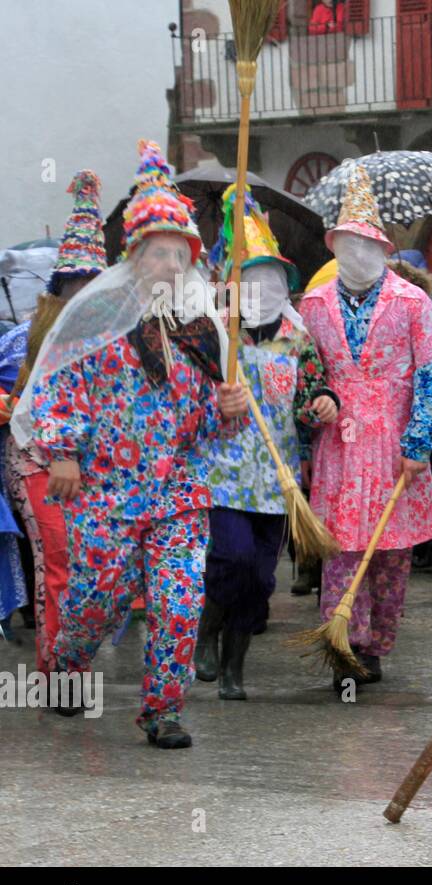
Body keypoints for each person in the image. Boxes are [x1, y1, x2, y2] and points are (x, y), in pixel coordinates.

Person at [12, 140, 250, 748]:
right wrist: (62, 449)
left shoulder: (202, 331)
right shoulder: (99, 319)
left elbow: (213, 424)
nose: (171, 263)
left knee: (178, 602)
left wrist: (232, 408)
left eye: (181, 252)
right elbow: (63, 382)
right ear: (136, 255)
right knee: (98, 601)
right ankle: (67, 662)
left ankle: (162, 710)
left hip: (177, 493)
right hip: (108, 494)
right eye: (159, 252)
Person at [298, 166, 432, 692]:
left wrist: (419, 442)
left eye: (366, 244)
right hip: (338, 447)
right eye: (346, 243)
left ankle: (378, 640)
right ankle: (347, 640)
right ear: (333, 245)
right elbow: (305, 373)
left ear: (383, 248)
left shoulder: (412, 305)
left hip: (393, 444)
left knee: (390, 553)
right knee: (340, 546)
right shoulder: (313, 307)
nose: (356, 253)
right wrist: (310, 411)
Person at [195, 186, 336, 700]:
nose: (260, 288)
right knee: (229, 558)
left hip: (277, 481)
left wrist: (323, 404)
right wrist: (216, 402)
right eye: (249, 278)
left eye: (269, 277)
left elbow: (313, 393)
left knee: (260, 580)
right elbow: (187, 398)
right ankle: (206, 628)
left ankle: (235, 666)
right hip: (225, 474)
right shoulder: (219, 336)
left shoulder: (297, 339)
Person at [0, 169, 106, 672]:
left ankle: (73, 659)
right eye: (75, 283)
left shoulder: (116, 340)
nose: (83, 292)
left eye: (93, 283)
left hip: (95, 467)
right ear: (60, 286)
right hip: (36, 460)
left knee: (90, 565)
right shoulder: (29, 338)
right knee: (59, 561)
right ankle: (59, 671)